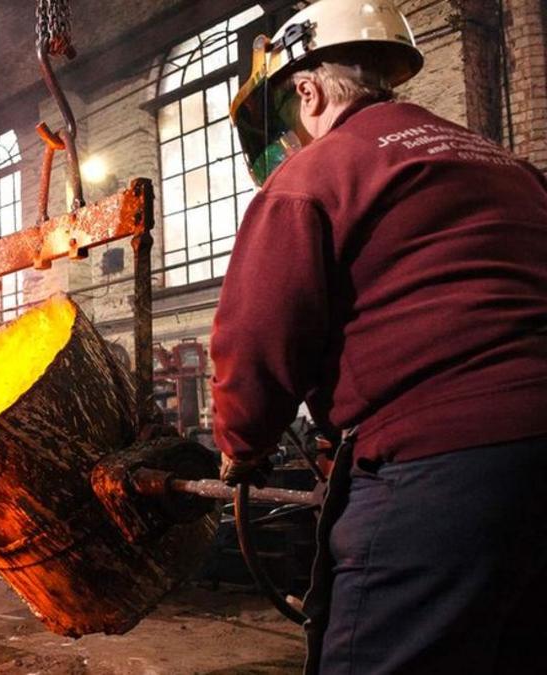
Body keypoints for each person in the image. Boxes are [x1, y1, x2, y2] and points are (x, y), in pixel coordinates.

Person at [215, 1, 547, 673]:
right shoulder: (510, 167)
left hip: (439, 472)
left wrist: (241, 445)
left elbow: (258, 335)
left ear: (308, 91)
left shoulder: (312, 176)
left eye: (288, 112)